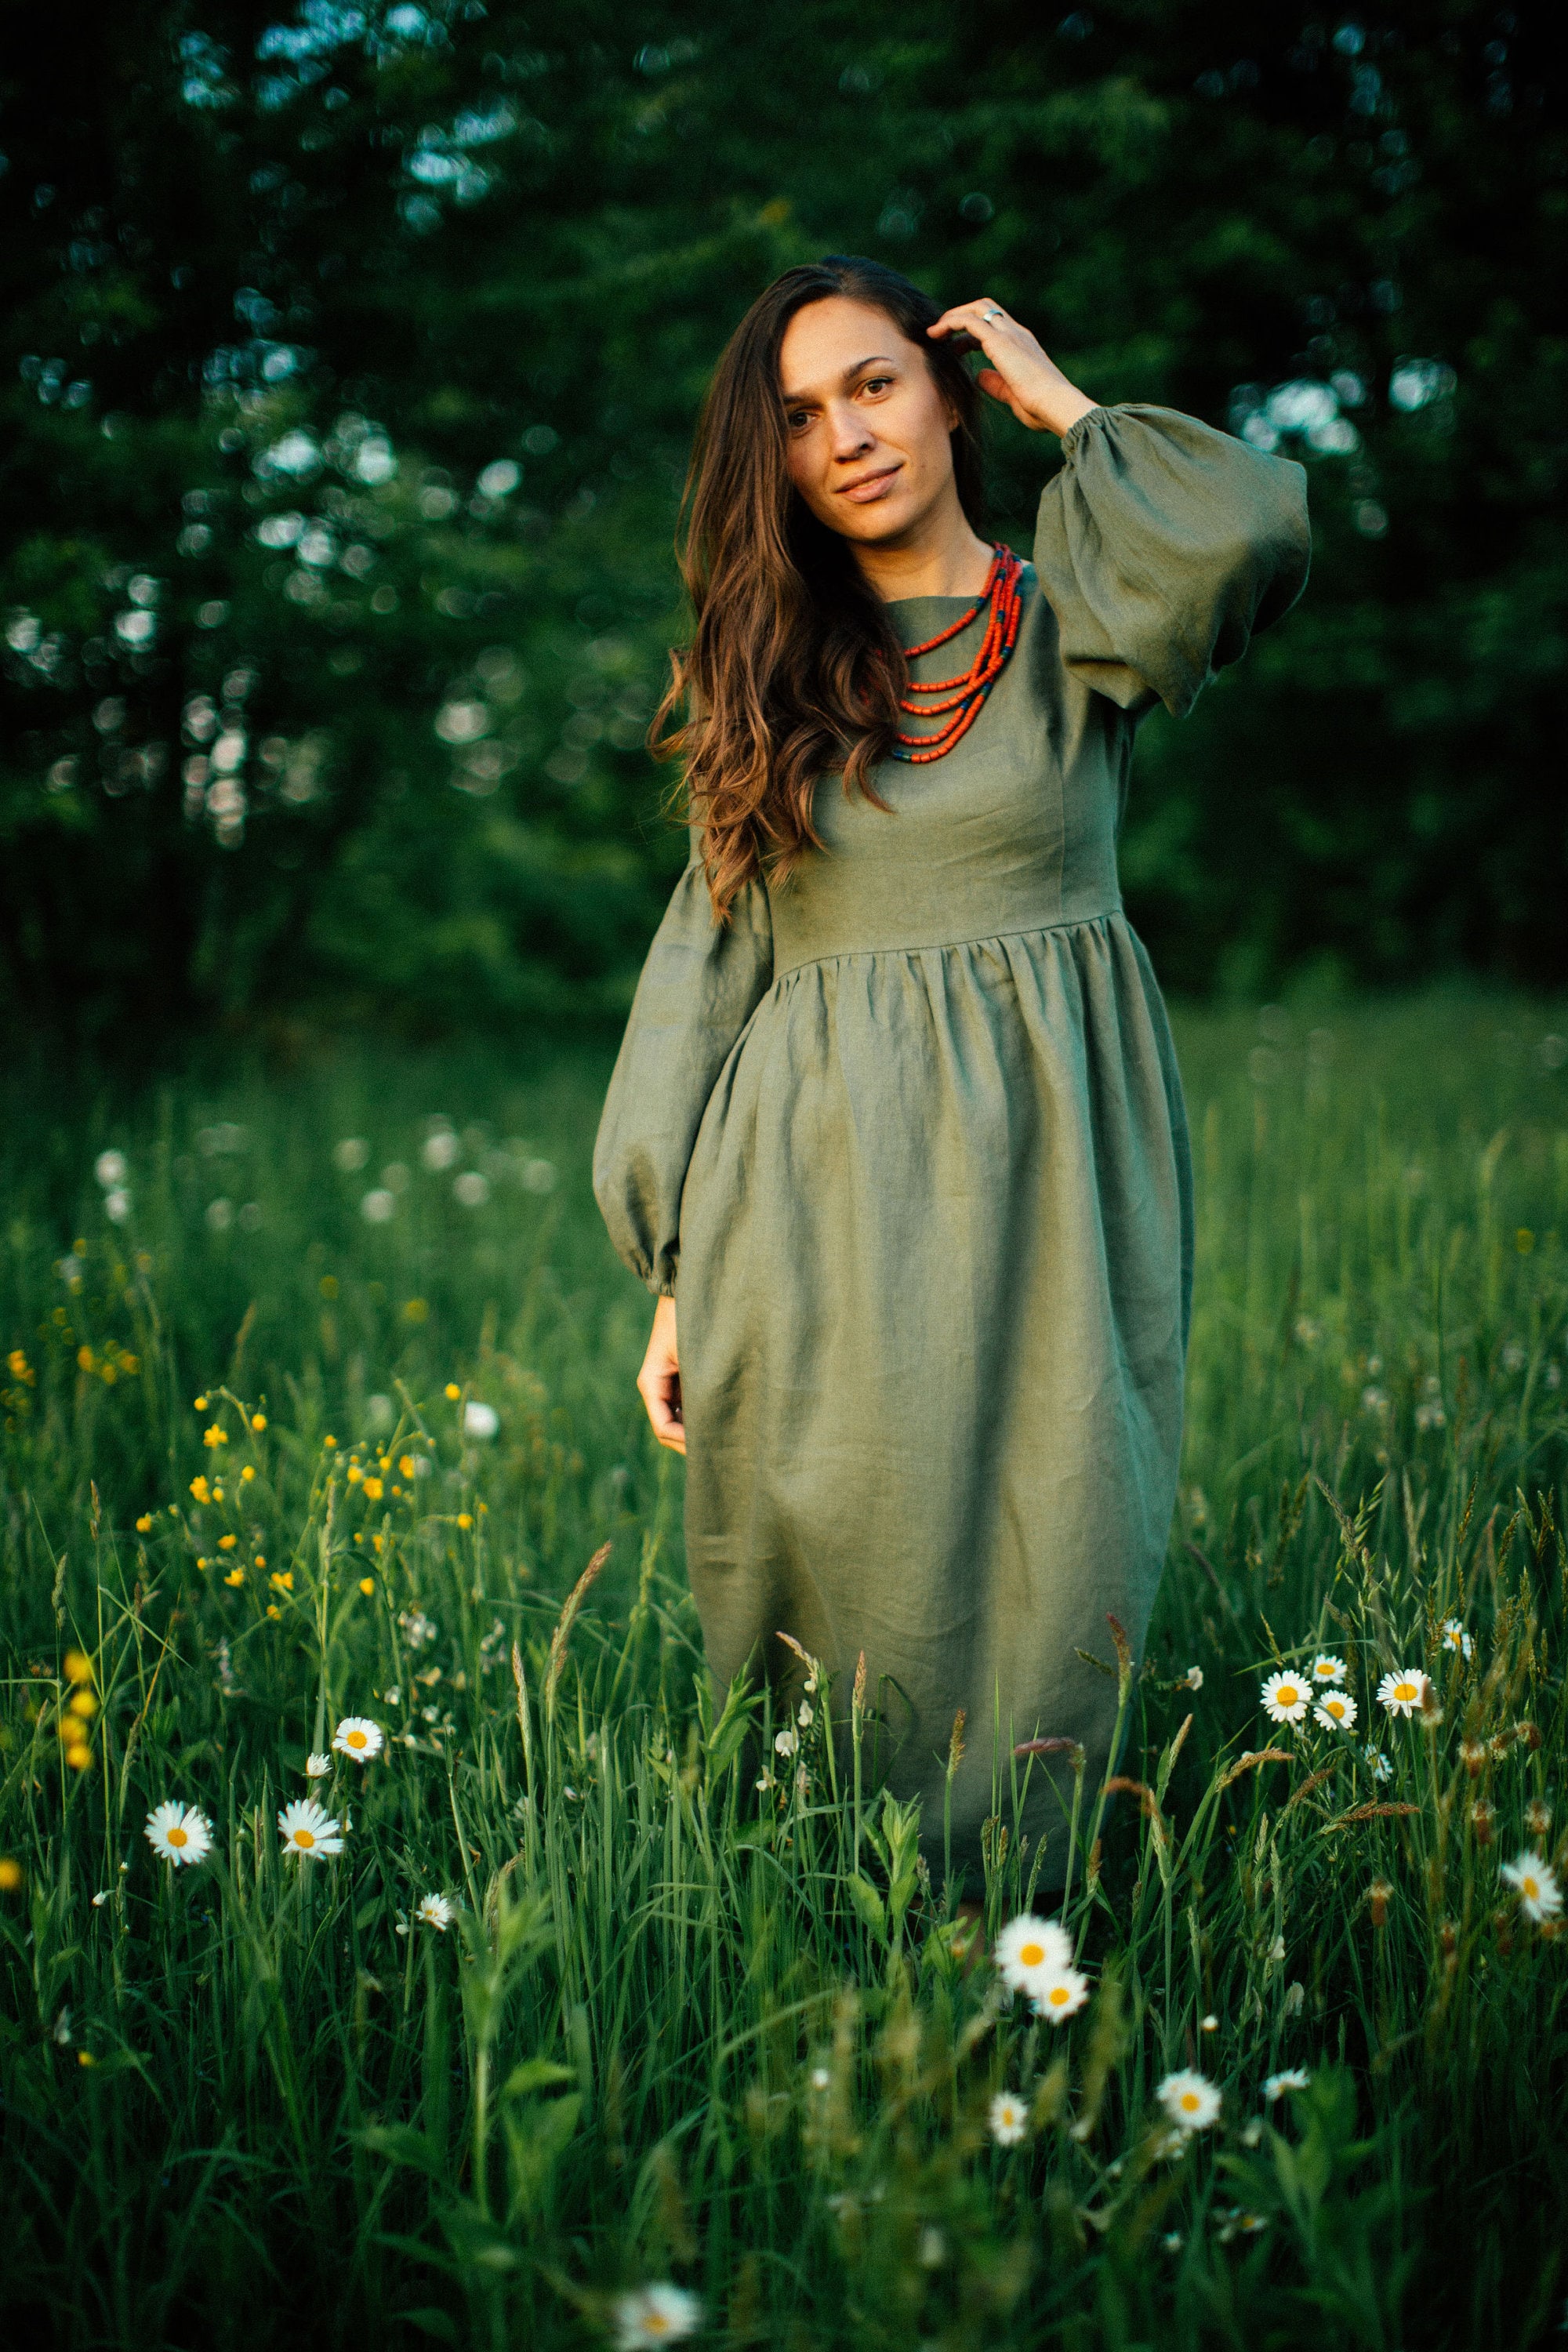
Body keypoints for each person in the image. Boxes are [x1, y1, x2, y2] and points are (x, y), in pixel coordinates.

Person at [593, 254, 1310, 1894]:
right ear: (762, 462)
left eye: (871, 382)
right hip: (805, 1182)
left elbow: (1254, 527)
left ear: (942, 389)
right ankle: (832, 1922)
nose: (843, 434)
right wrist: (673, 1279)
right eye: (794, 417)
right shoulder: (762, 664)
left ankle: (1028, 1932)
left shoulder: (1080, 604)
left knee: (1063, 1531)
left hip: (1053, 1160)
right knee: (834, 1543)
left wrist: (1064, 408)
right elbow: (710, 967)